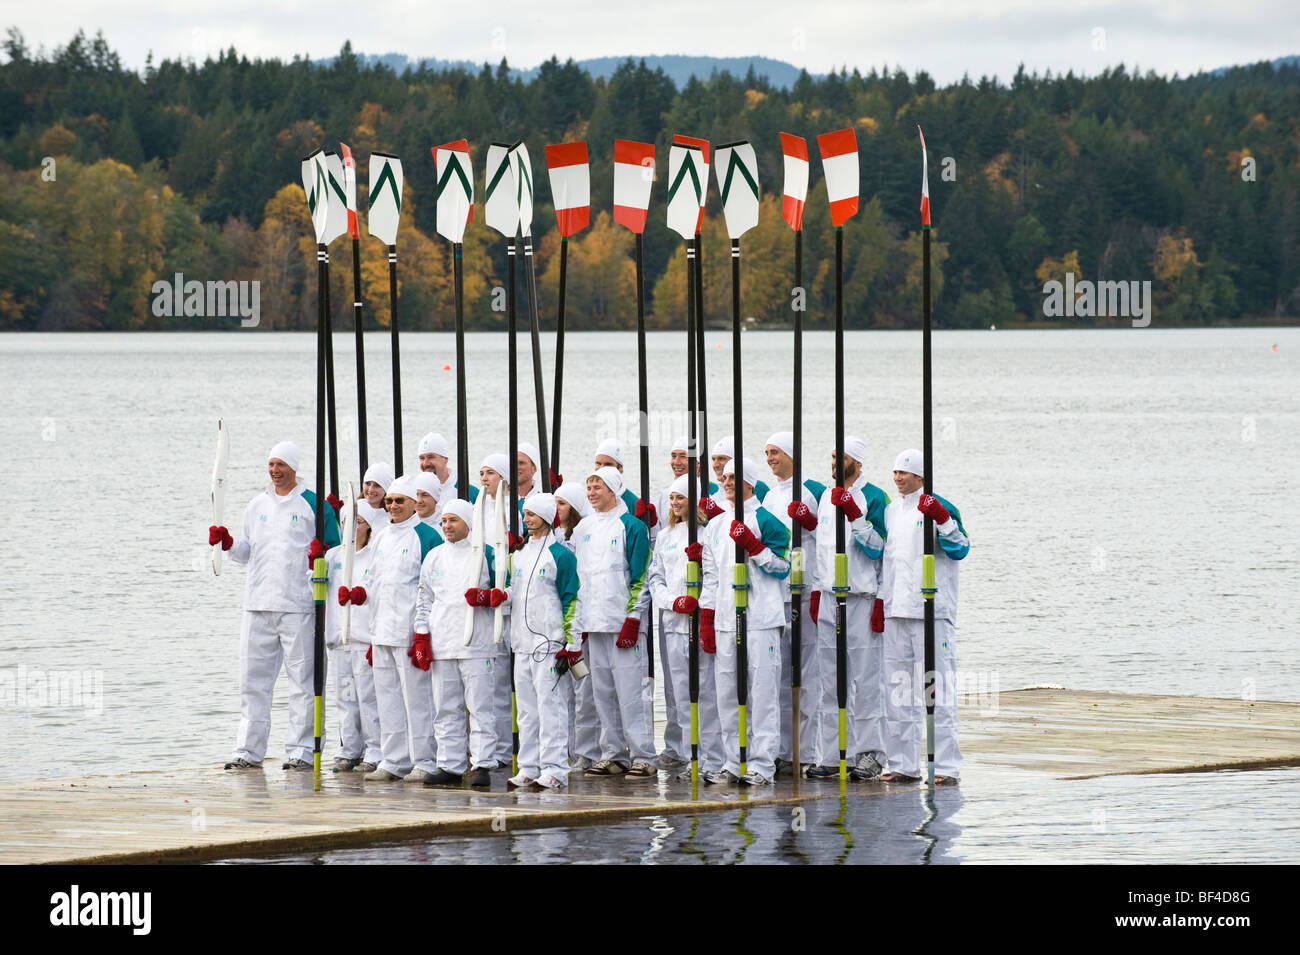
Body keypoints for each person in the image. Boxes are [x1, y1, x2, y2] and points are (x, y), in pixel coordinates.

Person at [212, 440, 339, 771]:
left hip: (299, 605)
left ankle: (301, 751)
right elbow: (246, 552)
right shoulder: (257, 505)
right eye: (271, 464)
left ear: (294, 467)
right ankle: (248, 751)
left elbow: (337, 552)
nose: (274, 470)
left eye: (280, 464)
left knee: (303, 683)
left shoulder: (315, 505)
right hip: (257, 604)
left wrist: (320, 553)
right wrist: (227, 543)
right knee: (252, 681)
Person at [879, 449, 969, 785]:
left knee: (937, 691)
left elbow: (960, 548)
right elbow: (884, 559)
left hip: (932, 611)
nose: (898, 478)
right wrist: (880, 603)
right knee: (897, 692)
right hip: (896, 612)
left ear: (920, 476)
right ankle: (902, 764)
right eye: (895, 473)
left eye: (904, 473)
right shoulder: (890, 511)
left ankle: (945, 766)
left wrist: (942, 519)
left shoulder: (940, 507)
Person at [700, 457, 790, 785]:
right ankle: (732, 760)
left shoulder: (768, 520)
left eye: (734, 478)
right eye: (724, 478)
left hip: (761, 618)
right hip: (726, 618)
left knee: (762, 693)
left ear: (750, 481)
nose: (726, 483)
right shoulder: (716, 525)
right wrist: (707, 618)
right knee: (727, 693)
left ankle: (762, 764)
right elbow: (710, 577)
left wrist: (754, 547)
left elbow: (783, 566)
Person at [807, 436, 889, 781]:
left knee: (865, 680)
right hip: (829, 597)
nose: (833, 462)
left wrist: (856, 516)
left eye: (838, 457)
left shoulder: (874, 497)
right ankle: (831, 752)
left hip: (859, 597)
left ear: (855, 461)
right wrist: (815, 591)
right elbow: (820, 549)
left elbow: (879, 548)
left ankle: (870, 754)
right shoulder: (827, 496)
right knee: (829, 678)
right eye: (830, 456)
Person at [572, 466, 655, 777]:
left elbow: (641, 576)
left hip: (623, 623)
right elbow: (579, 580)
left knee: (632, 691)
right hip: (593, 624)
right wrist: (577, 624)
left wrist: (634, 617)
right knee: (601, 692)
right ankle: (614, 753)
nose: (592, 493)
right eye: (589, 487)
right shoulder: (582, 529)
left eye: (598, 487)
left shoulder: (631, 527)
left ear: (614, 490)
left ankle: (644, 755)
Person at [416, 498, 501, 788]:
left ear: (468, 523)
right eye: (444, 521)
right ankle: (449, 765)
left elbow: (505, 592)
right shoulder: (435, 556)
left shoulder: (486, 553)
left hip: (477, 643)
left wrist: (488, 598)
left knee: (479, 707)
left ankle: (482, 764)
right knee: (445, 708)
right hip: (442, 641)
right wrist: (421, 635)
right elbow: (424, 599)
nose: (447, 526)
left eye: (453, 520)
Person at [363, 475, 443, 782]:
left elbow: (432, 589)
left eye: (399, 501)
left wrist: (423, 634)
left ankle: (425, 759)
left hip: (411, 632)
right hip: (381, 630)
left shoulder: (427, 536)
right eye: (389, 501)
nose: (393, 506)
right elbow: (375, 583)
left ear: (413, 503)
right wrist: (372, 634)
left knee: (418, 699)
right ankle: (394, 759)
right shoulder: (381, 536)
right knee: (387, 698)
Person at [501, 493, 581, 789]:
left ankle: (556, 768)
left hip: (550, 645)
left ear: (547, 517)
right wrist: (500, 596)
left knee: (552, 709)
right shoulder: (518, 555)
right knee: (526, 711)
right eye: (525, 514)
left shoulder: (561, 556)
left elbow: (572, 600)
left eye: (532, 514)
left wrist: (571, 645)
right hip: (521, 644)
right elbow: (515, 592)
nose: (526, 519)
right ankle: (529, 766)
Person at [646, 475, 723, 776]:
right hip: (673, 622)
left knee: (705, 693)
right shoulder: (666, 535)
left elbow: (716, 577)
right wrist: (672, 601)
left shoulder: (706, 533)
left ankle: (711, 759)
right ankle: (693, 756)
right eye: (673, 498)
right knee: (681, 694)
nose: (676, 503)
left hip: (700, 622)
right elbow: (656, 577)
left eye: (681, 498)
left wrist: (700, 599)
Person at [762, 431, 826, 774]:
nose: (770, 458)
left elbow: (826, 537)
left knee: (808, 676)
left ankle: (811, 751)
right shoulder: (771, 496)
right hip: (778, 595)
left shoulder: (813, 490)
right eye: (767, 453)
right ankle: (785, 750)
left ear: (791, 454)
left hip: (804, 592)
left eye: (776, 452)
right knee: (781, 677)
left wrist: (810, 523)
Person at [322, 502, 385, 772]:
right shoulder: (334, 556)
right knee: (346, 698)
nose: (352, 527)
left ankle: (375, 750)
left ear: (368, 526)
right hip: (341, 640)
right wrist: (313, 564)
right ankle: (350, 748)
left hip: (364, 639)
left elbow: (379, 591)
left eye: (358, 522)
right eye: (347, 521)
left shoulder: (375, 556)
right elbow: (312, 584)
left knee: (368, 698)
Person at [555, 482, 599, 772]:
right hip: (557, 618)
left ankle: (587, 750)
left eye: (562, 504)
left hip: (581, 617)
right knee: (562, 692)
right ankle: (567, 749)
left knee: (585, 692)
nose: (557, 510)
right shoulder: (554, 536)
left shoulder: (583, 536)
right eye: (555, 504)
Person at [416, 431, 478, 507]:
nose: (425, 463)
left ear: (445, 459)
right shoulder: (412, 494)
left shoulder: (470, 493)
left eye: (430, 457)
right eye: (422, 458)